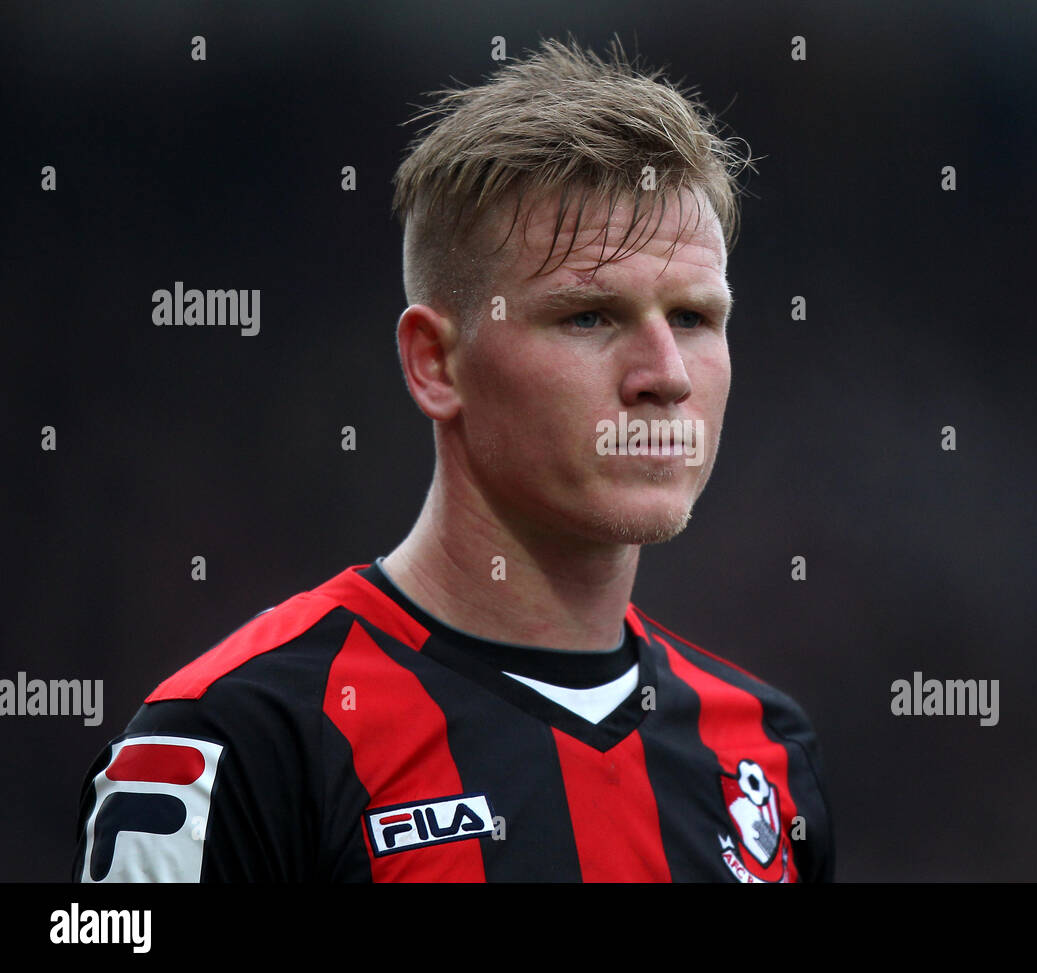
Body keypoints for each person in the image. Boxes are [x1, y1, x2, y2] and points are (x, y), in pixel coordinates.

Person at [73, 35, 833, 883]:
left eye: (693, 317)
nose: (666, 375)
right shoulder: (222, 746)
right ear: (436, 363)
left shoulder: (768, 756)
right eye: (589, 316)